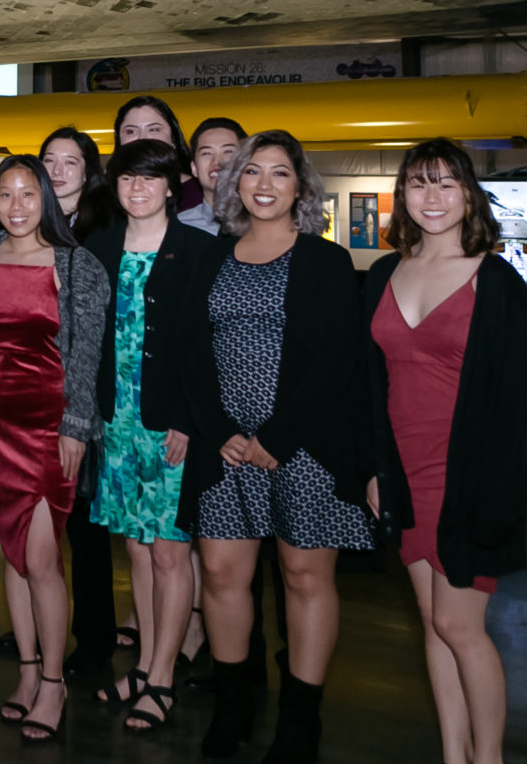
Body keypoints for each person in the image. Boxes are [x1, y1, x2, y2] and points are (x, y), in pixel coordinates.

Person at [180, 130, 373, 764]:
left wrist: (277, 437)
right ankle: (233, 706)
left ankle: (299, 721)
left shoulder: (325, 260)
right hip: (226, 450)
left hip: (305, 446)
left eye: (280, 173)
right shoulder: (212, 257)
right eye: (252, 171)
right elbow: (191, 354)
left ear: (300, 187)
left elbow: (338, 358)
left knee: (303, 577)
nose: (264, 184)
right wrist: (221, 432)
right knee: (221, 574)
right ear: (234, 183)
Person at [365, 140, 527, 764]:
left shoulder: (496, 280)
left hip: (467, 475)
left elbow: (518, 405)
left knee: (460, 625)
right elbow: (372, 384)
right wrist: (375, 470)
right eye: (418, 183)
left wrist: (498, 498)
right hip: (403, 471)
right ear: (402, 196)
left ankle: (487, 757)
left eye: (446, 183)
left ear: (468, 194)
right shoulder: (384, 273)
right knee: (432, 621)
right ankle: (453, 753)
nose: (432, 197)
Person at [0, 154, 107, 744]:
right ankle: (27, 673)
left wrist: (76, 425)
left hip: (50, 427)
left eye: (28, 193)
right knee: (13, 551)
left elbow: (87, 353)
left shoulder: (76, 263)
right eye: (6, 194)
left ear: (46, 198)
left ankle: (54, 682)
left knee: (44, 560)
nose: (17, 205)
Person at [86, 140, 220, 732]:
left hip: (171, 424)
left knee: (169, 551)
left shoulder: (200, 251)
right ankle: (143, 665)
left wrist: (190, 418)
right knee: (136, 549)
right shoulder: (100, 248)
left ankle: (163, 676)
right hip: (115, 422)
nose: (137, 189)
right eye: (126, 178)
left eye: (149, 178)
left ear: (171, 186)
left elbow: (210, 346)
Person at [35, 125, 119, 678]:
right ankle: (39, 628)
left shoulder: (104, 234)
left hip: (81, 402)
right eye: (50, 159)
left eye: (72, 160)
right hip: (27, 398)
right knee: (35, 528)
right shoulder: (21, 222)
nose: (59, 169)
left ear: (89, 172)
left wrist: (82, 414)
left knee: (86, 531)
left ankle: (93, 641)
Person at [115, 94, 204, 213]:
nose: (142, 138)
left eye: (154, 130)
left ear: (173, 139)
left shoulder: (200, 195)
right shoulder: (102, 197)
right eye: (131, 131)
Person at [182, 118, 246, 237]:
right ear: (194, 168)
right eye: (206, 153)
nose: (216, 161)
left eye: (228, 151)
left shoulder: (265, 223)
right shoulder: (178, 227)